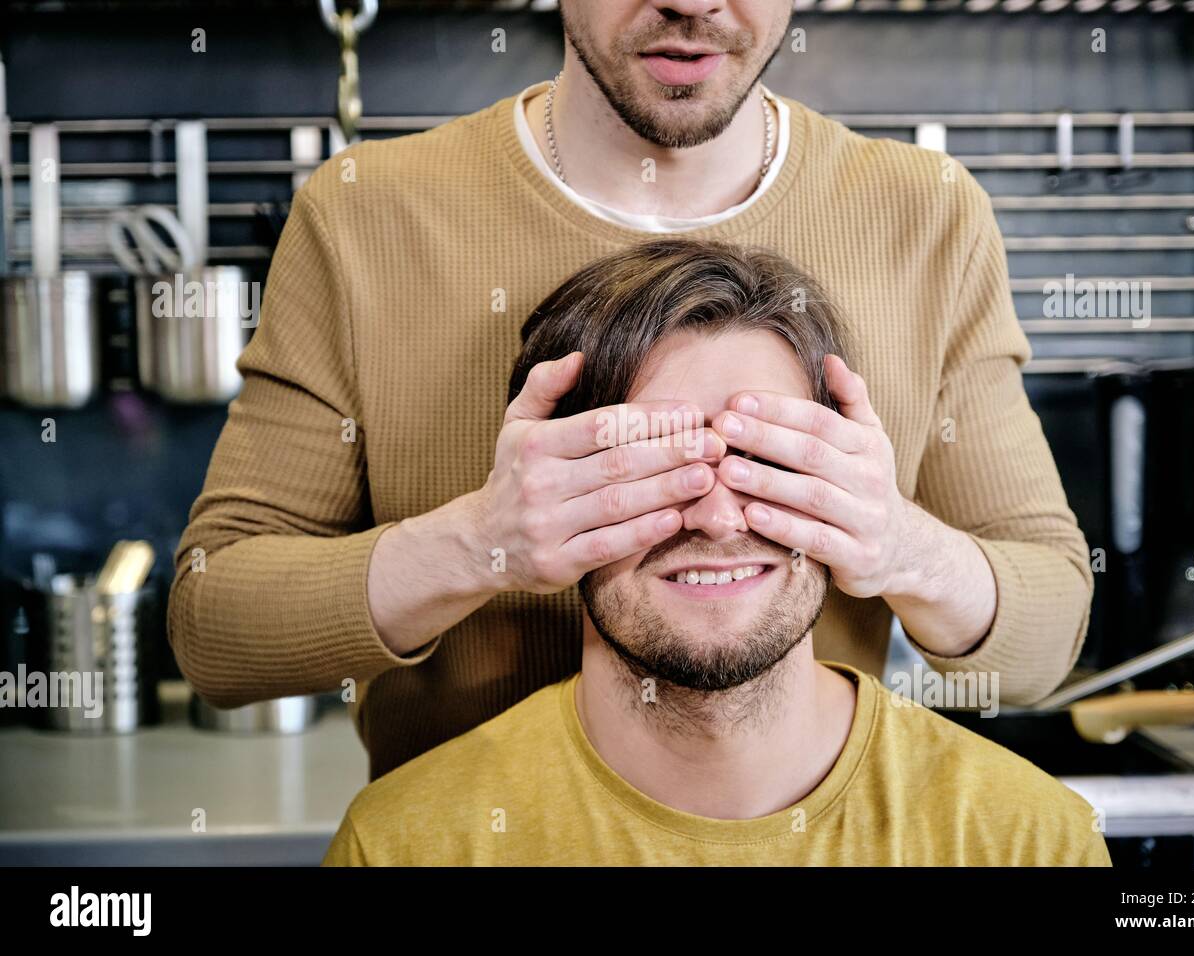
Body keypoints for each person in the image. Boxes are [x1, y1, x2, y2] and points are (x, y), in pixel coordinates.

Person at [170, 0, 1093, 781]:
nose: (689, 3)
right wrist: (479, 543)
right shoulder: (363, 213)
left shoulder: (926, 217)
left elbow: (1047, 634)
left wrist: (897, 544)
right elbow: (214, 625)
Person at [322, 240, 1110, 866]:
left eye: (766, 460)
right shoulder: (402, 848)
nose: (718, 515)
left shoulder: (1032, 843)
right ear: (545, 495)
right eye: (654, 464)